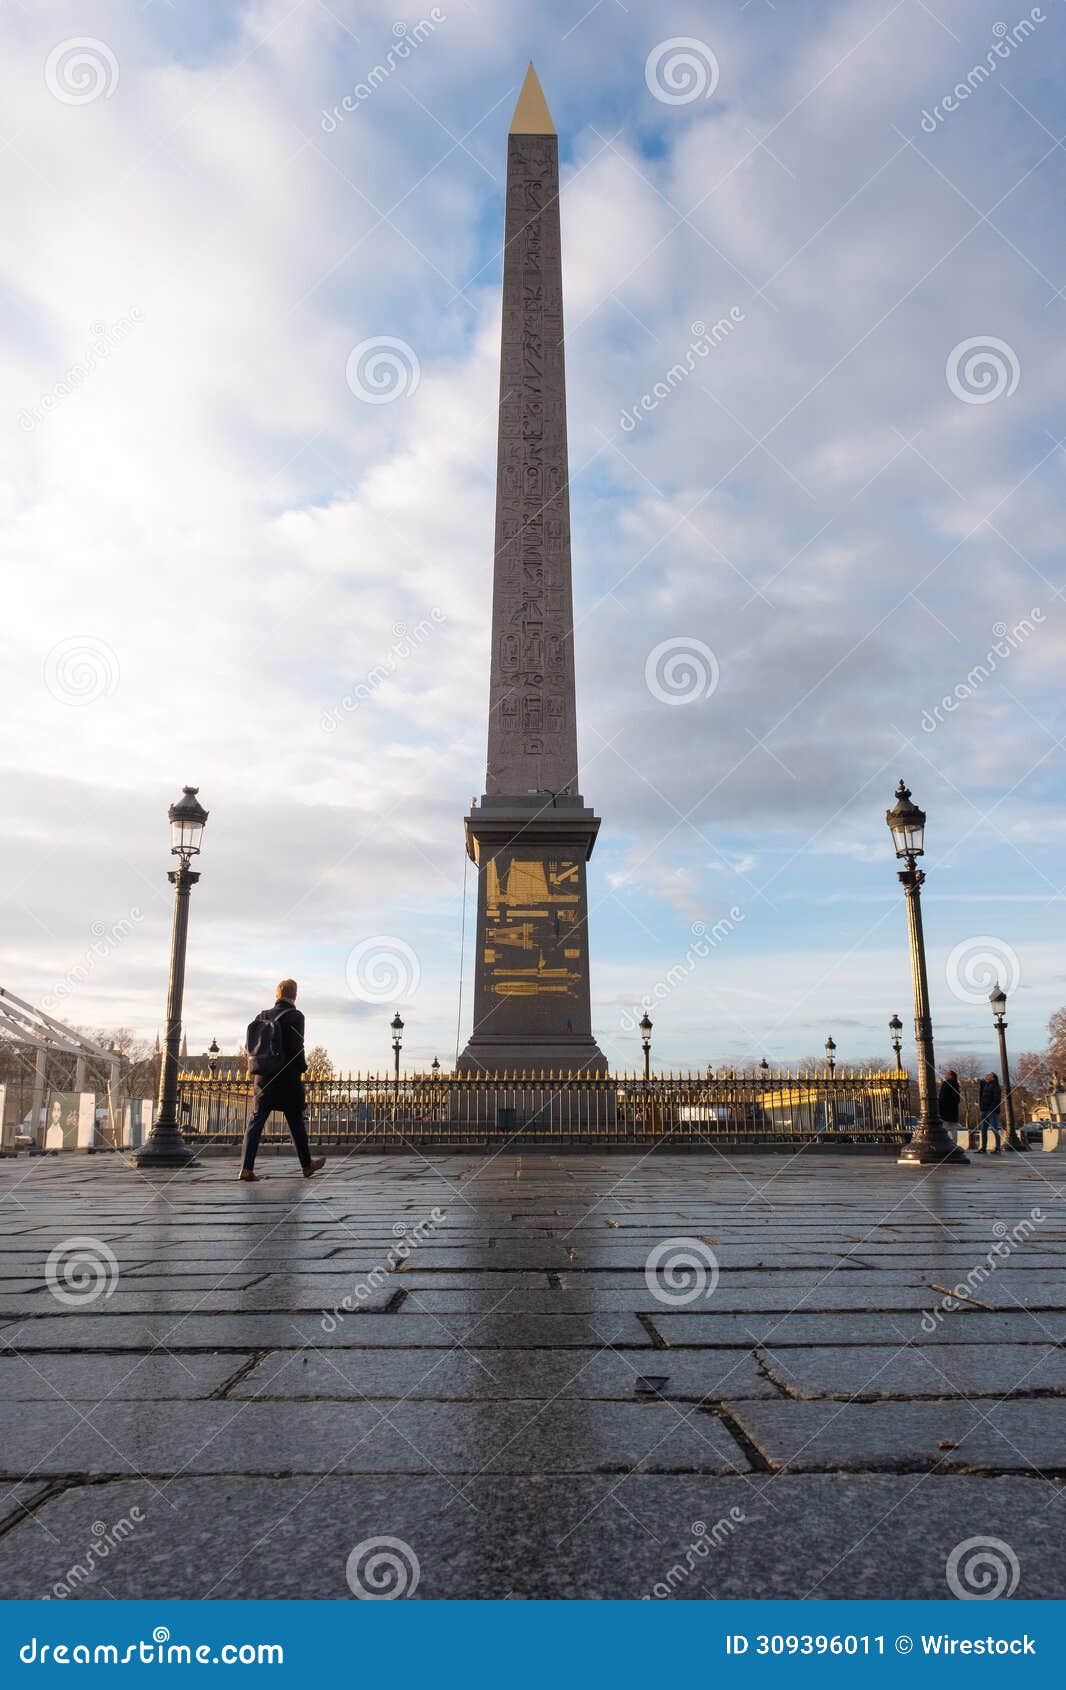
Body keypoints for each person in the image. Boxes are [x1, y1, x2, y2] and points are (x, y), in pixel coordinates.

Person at [239, 979, 325, 1182]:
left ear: (277, 995)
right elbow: (297, 1047)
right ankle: (306, 1165)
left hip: (263, 1076)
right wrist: (303, 1067)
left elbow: (251, 1045)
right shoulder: (295, 1016)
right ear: (294, 995)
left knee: (256, 1121)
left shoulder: (262, 1016)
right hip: (286, 1078)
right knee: (295, 1121)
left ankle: (246, 1168)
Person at [978, 1070, 1002, 1154]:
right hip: (984, 1110)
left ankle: (998, 1147)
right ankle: (983, 1147)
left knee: (994, 1129)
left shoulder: (996, 1086)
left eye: (989, 1075)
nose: (986, 1075)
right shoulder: (986, 1085)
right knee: (983, 1130)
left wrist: (991, 1109)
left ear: (993, 1077)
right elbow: (981, 1093)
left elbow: (996, 1099)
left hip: (991, 1111)